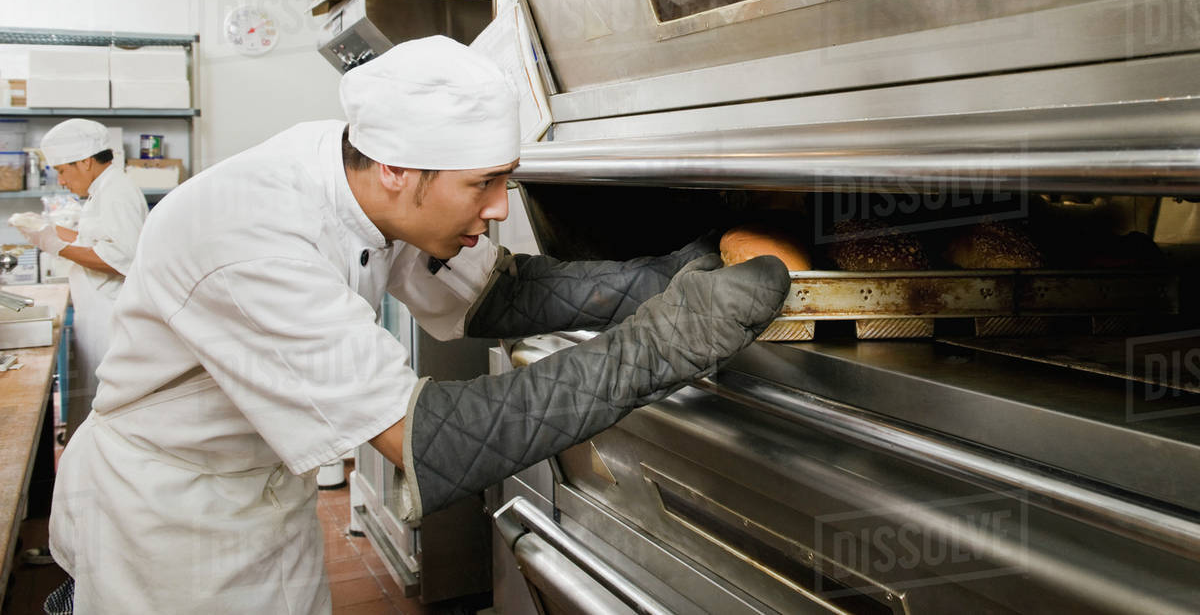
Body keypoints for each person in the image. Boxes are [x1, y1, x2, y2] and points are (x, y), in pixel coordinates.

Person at [47, 35, 790, 615]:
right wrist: (666, 341)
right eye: (484, 184)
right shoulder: (247, 236)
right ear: (398, 172)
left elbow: (501, 295)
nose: (499, 208)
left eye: (505, 179)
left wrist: (664, 276)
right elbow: (432, 442)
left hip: (260, 495)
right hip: (170, 520)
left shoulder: (361, 171)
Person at [14, 118, 148, 439]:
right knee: (91, 408)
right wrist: (46, 229)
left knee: (104, 416)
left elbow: (122, 260)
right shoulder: (103, 190)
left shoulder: (117, 193)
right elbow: (93, 241)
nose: (61, 181)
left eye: (62, 170)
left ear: (86, 162)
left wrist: (56, 246)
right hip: (97, 317)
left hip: (111, 321)